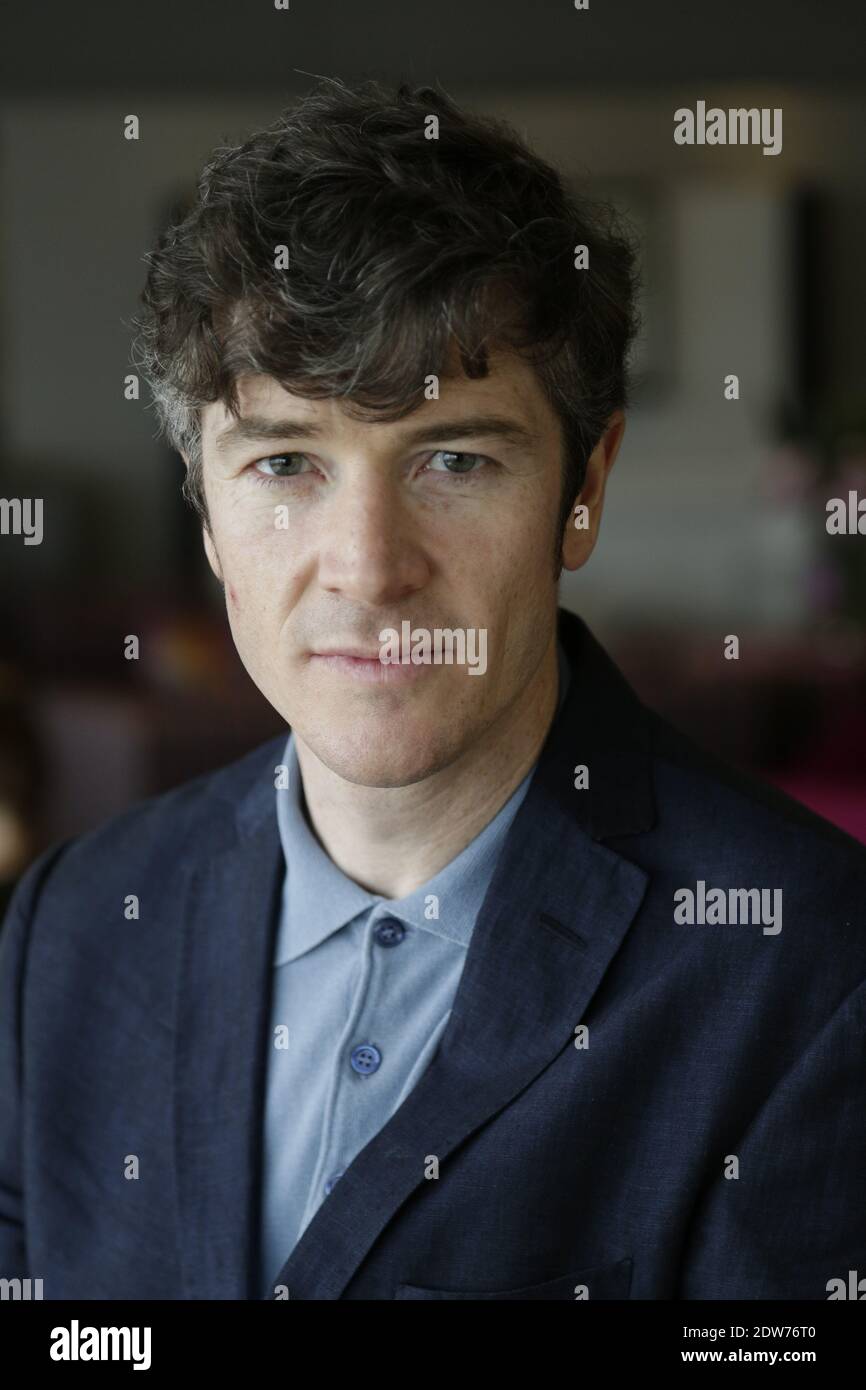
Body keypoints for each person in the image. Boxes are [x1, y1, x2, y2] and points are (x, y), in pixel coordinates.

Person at [1, 76, 863, 1302]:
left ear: (584, 488)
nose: (368, 567)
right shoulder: (73, 929)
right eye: (285, 460)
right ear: (202, 500)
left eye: (453, 458)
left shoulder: (811, 973)